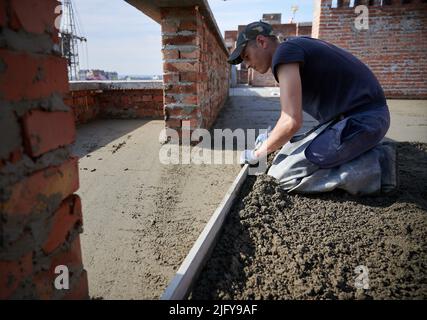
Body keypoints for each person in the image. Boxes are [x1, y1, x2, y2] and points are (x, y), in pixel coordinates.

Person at [228, 21, 394, 194]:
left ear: (262, 42)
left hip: (363, 121)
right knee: (286, 149)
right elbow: (289, 115)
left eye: (246, 56)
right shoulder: (292, 47)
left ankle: (377, 167)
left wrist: (257, 154)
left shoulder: (284, 53)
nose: (247, 65)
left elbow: (291, 121)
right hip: (353, 119)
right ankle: (363, 150)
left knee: (281, 177)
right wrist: (270, 140)